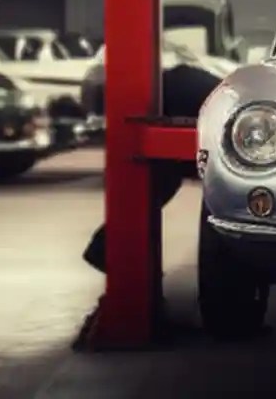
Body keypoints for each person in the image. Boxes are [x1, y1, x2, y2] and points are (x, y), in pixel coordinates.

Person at [82, 61, 222, 273]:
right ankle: (108, 252)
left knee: (154, 189)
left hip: (192, 109)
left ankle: (108, 252)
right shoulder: (178, 86)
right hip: (195, 111)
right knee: (154, 189)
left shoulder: (175, 87)